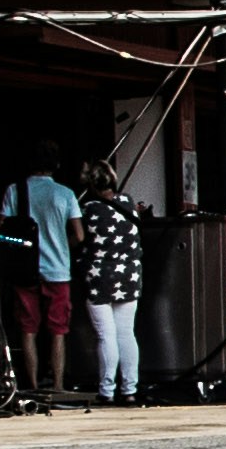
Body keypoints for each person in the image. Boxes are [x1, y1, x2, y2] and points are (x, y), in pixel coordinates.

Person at [2, 156, 78, 404]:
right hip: (58, 269)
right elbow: (79, 234)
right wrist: (62, 248)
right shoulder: (65, 194)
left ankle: (32, 385)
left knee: (28, 328)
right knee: (58, 329)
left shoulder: (15, 190)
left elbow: (3, 227)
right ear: (56, 165)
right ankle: (58, 385)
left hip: (25, 268)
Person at [77, 158, 151, 404]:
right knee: (126, 333)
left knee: (105, 335)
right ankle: (130, 389)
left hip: (99, 277)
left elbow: (80, 239)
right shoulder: (127, 202)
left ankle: (106, 390)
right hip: (129, 275)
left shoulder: (88, 209)